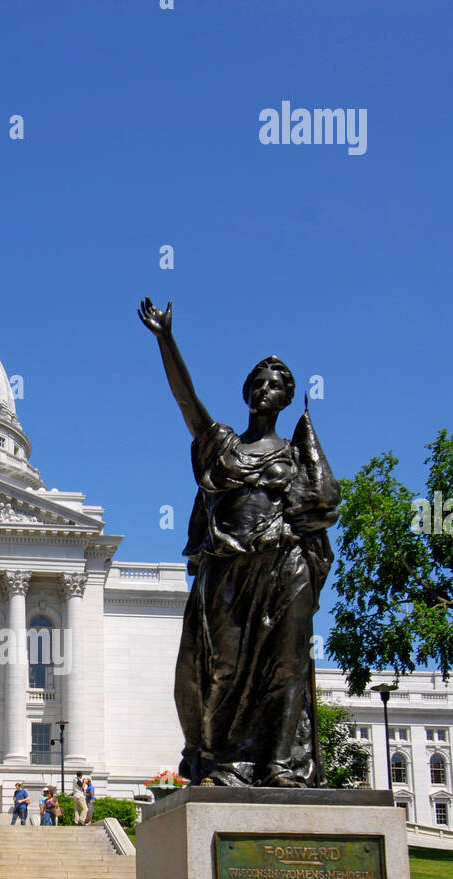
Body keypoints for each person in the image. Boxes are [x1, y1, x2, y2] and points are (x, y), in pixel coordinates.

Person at [139, 297, 339, 786]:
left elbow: (322, 504)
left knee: (286, 666)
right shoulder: (224, 445)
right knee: (219, 667)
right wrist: (166, 340)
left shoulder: (294, 454)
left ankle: (279, 765)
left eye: (274, 386)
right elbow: (187, 404)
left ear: (286, 399)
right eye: (257, 383)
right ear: (246, 392)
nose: (264, 390)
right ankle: (221, 760)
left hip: (285, 564)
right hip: (229, 567)